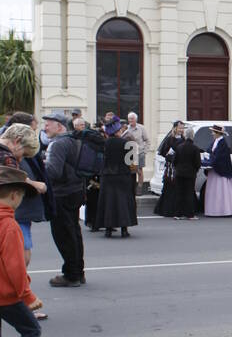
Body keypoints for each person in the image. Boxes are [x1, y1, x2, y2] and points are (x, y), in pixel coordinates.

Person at [0, 166, 44, 337]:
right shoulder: (9, 226)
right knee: (31, 331)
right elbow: (15, 268)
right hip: (5, 296)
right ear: (15, 196)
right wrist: (27, 295)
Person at [0, 124, 50, 319]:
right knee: (17, 258)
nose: (21, 160)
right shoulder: (6, 158)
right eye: (23, 154)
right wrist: (35, 185)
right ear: (16, 142)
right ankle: (22, 304)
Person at [42, 111, 86, 287]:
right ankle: (78, 271)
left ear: (59, 126)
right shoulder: (74, 140)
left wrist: (41, 165)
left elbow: (54, 172)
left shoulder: (58, 144)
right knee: (73, 232)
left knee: (63, 234)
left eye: (49, 123)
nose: (45, 127)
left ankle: (71, 274)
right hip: (75, 190)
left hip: (62, 193)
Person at [96, 115, 138, 238]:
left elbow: (100, 161)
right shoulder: (127, 143)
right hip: (123, 175)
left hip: (107, 176)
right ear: (118, 130)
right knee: (123, 202)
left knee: (108, 202)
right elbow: (132, 163)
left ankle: (108, 229)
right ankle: (124, 230)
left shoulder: (104, 144)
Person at [202, 125, 232, 216]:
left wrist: (209, 163)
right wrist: (206, 157)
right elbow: (209, 152)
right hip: (214, 170)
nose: (212, 134)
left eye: (213, 132)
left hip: (221, 171)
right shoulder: (215, 141)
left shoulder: (223, 143)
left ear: (218, 133)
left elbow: (219, 158)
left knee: (221, 190)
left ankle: (223, 210)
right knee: (214, 191)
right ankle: (213, 210)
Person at [155, 121, 185, 217]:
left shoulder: (184, 139)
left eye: (182, 128)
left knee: (179, 189)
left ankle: (179, 209)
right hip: (171, 167)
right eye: (180, 128)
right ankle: (168, 210)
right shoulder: (170, 139)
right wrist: (170, 155)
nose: (181, 130)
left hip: (180, 166)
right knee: (170, 188)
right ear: (175, 128)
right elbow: (163, 152)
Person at [172, 127, 202, 219]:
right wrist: (195, 170)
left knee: (179, 193)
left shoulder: (179, 147)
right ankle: (190, 214)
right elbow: (198, 163)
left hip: (179, 173)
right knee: (189, 194)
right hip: (190, 174)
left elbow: (175, 161)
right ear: (192, 136)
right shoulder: (195, 148)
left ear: (185, 136)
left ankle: (177, 214)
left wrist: (177, 169)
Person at [125, 113, 151, 193]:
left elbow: (147, 140)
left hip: (139, 153)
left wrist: (145, 151)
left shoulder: (141, 128)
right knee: (131, 171)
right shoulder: (127, 128)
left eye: (132, 119)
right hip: (130, 153)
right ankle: (131, 188)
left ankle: (139, 188)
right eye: (129, 119)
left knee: (139, 171)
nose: (130, 120)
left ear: (136, 119)